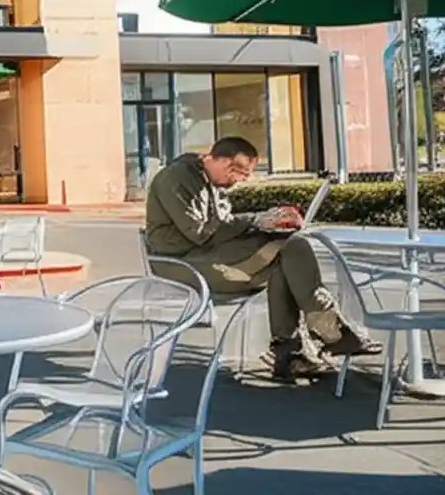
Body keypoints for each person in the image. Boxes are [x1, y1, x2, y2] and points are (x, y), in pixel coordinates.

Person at [145, 136, 381, 379]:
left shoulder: (211, 183)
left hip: (208, 255)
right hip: (183, 264)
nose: (240, 181)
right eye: (240, 173)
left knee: (286, 261)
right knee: (293, 247)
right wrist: (257, 220)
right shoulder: (177, 178)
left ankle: (291, 353)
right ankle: (330, 330)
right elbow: (200, 232)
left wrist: (266, 223)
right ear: (224, 162)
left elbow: (221, 227)